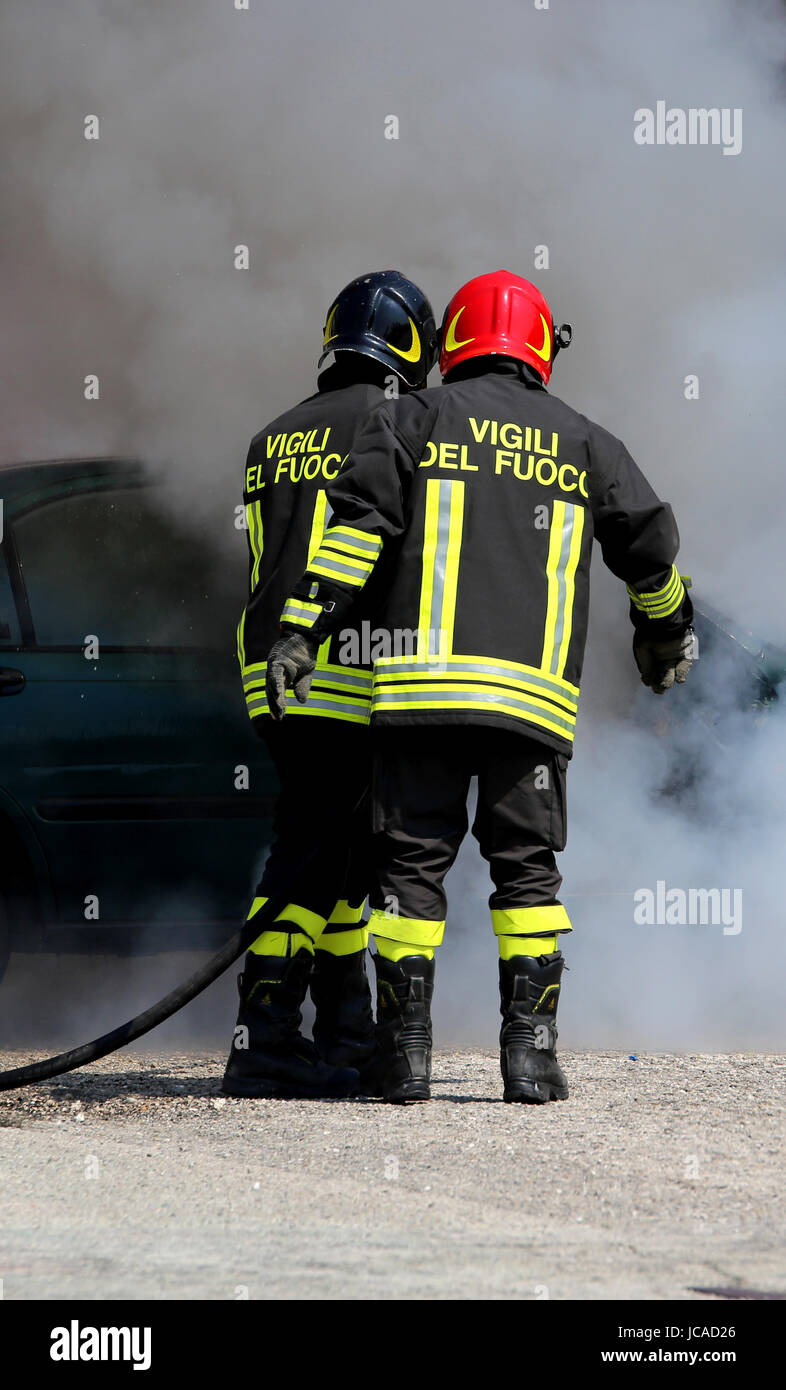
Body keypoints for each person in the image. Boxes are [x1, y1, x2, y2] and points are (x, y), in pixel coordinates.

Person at [266, 269, 694, 1104]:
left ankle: (404, 1059)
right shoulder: (585, 441)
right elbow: (650, 552)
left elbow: (356, 530)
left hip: (420, 700)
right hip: (527, 712)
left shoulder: (411, 418)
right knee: (527, 873)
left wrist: (301, 627)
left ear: (451, 341)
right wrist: (665, 633)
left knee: (408, 874)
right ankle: (529, 1059)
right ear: (539, 345)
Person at [222, 270, 438, 1098]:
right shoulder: (393, 420)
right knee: (312, 860)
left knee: (337, 858)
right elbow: (383, 549)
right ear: (407, 348)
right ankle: (265, 1036)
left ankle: (345, 1035)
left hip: (269, 669)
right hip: (343, 666)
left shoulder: (271, 434)